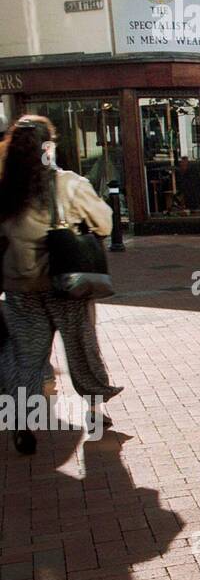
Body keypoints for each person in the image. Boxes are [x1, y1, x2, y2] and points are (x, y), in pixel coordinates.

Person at [0, 114, 123, 449]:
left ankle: (20, 423)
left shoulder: (6, 191)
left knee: (25, 356)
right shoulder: (69, 184)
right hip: (64, 284)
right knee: (81, 347)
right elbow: (106, 222)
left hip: (19, 288)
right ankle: (96, 409)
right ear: (49, 148)